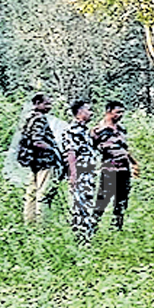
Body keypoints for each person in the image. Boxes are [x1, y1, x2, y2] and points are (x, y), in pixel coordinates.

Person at [92, 101, 138, 231]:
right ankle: (91, 229)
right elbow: (92, 148)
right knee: (102, 201)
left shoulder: (121, 129)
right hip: (109, 169)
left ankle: (117, 229)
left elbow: (125, 148)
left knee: (122, 201)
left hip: (124, 169)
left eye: (122, 112)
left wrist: (134, 162)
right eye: (117, 112)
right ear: (108, 112)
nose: (121, 115)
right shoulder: (98, 131)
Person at [20, 94, 62, 225]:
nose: (49, 107)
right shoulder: (39, 119)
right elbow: (37, 141)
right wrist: (53, 150)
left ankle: (29, 222)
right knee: (43, 195)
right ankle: (42, 226)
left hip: (34, 162)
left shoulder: (29, 118)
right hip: (44, 162)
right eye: (46, 104)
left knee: (31, 194)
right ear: (37, 104)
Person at [64, 100, 99, 244]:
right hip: (80, 173)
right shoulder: (73, 130)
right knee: (81, 205)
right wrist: (73, 175)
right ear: (80, 113)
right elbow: (71, 153)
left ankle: (86, 236)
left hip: (88, 172)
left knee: (87, 202)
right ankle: (82, 238)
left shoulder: (84, 130)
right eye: (88, 110)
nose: (91, 113)